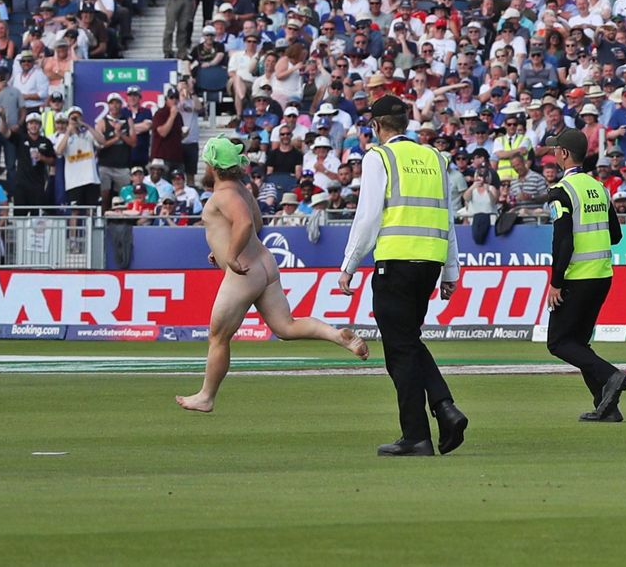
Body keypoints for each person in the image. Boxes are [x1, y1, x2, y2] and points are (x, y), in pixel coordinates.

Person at [176, 136, 368, 414]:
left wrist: (230, 255)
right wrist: (222, 248)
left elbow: (245, 223)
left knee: (218, 337)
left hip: (244, 272)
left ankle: (206, 396)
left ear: (214, 166)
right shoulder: (241, 190)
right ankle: (337, 335)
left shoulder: (224, 194)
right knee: (285, 327)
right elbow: (256, 222)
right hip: (264, 264)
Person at [337, 95, 468, 456]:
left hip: (395, 262)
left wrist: (349, 264)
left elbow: (367, 217)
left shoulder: (379, 157)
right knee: (408, 342)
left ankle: (417, 435)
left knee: (400, 350)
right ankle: (444, 407)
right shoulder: (435, 157)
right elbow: (447, 218)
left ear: (376, 125)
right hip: (429, 264)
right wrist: (451, 270)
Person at [544, 128, 626, 422]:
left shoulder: (561, 191)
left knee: (558, 342)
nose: (554, 153)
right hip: (602, 275)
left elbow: (563, 241)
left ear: (565, 154)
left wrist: (556, 283)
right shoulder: (599, 188)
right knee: (578, 342)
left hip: (577, 277)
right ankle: (607, 407)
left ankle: (611, 375)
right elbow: (616, 235)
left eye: (556, 149)